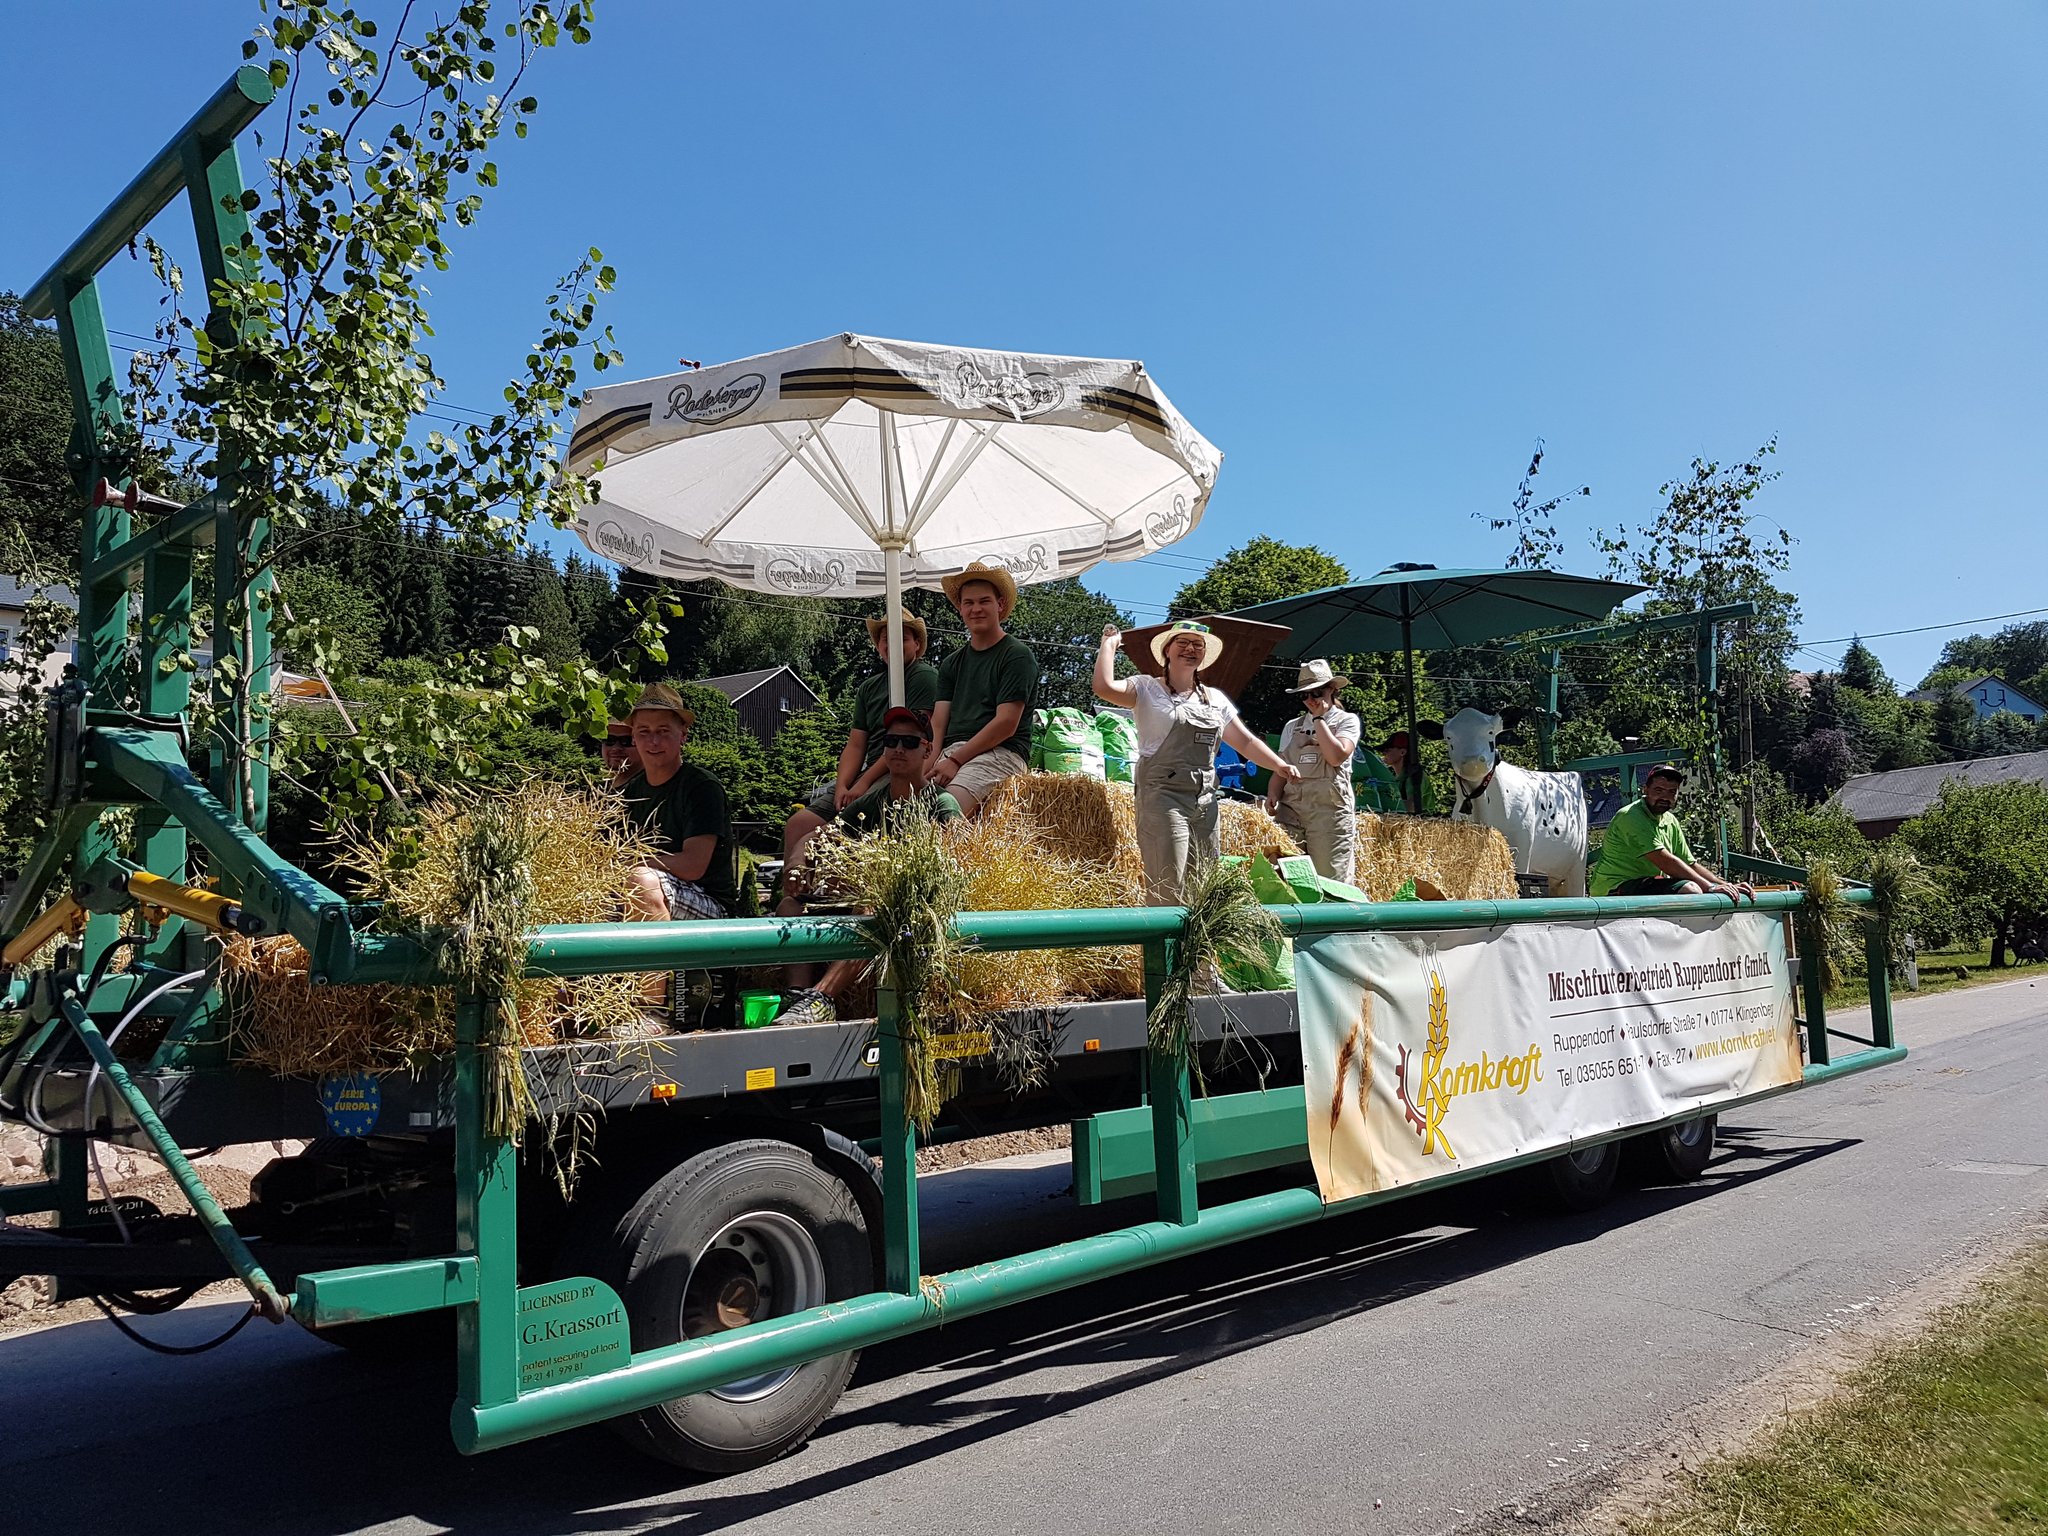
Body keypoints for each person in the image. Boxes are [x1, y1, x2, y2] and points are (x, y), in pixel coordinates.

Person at [777, 706, 962, 1023]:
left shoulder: (942, 804)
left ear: (928, 750)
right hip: (863, 902)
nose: (899, 749)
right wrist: (796, 862)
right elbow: (815, 837)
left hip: (909, 919)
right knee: (789, 906)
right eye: (891, 741)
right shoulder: (872, 802)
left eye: (910, 742)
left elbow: (952, 871)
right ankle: (797, 999)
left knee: (872, 907)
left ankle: (822, 999)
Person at [1094, 619, 1299, 904]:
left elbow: (1245, 741)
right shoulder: (1145, 688)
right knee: (1169, 883)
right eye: (1183, 643)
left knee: (1202, 881)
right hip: (1163, 796)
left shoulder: (1214, 699)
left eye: (1198, 645)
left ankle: (1195, 948)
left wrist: (1279, 764)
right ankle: (1165, 948)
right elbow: (1103, 687)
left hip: (1204, 799)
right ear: (1167, 650)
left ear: (1204, 655)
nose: (1190, 649)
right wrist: (1109, 645)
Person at [776, 608, 938, 920]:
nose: (891, 644)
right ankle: (791, 904)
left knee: (855, 822)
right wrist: (842, 786)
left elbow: (909, 740)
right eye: (884, 639)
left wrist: (861, 786)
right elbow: (855, 743)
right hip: (868, 770)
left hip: (896, 767)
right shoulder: (869, 687)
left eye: (901, 638)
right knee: (799, 823)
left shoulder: (924, 678)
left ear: (916, 644)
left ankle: (853, 901)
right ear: (878, 646)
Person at [621, 683, 740, 924]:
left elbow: (692, 866)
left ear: (683, 734)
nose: (653, 741)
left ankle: (655, 963)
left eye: (663, 731)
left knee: (641, 881)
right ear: (633, 737)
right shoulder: (630, 790)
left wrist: (631, 861)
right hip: (650, 886)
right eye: (644, 732)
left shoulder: (702, 788)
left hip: (711, 906)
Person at [927, 561, 1038, 818]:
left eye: (984, 601)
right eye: (969, 603)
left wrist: (954, 761)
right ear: (960, 609)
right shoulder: (951, 663)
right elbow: (939, 723)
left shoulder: (1017, 656)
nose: (976, 609)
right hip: (953, 751)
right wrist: (929, 763)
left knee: (945, 809)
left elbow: (1006, 724)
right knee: (900, 807)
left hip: (1002, 752)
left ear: (1000, 605)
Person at [1590, 763, 1755, 901]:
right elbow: (1665, 862)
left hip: (1643, 884)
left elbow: (1690, 864)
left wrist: (1725, 885)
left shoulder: (1670, 820)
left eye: (1671, 792)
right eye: (1658, 790)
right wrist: (1710, 887)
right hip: (1612, 889)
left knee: (1693, 888)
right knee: (1690, 890)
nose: (1665, 797)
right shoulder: (1631, 816)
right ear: (1645, 789)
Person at [1266, 659, 1363, 884]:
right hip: (1292, 808)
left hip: (1328, 811)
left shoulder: (1346, 721)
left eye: (1316, 693)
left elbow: (1336, 756)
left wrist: (1319, 719)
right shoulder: (1292, 726)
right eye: (1304, 695)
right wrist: (1272, 794)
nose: (1310, 700)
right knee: (1284, 875)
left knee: (1330, 879)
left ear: (1332, 690)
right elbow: (1281, 768)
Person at [1355, 730, 1438, 815]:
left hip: (1421, 823)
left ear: (1402, 752)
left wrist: (1381, 802)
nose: (1383, 753)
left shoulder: (1414, 775)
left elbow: (1412, 806)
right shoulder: (1398, 778)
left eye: (1387, 750)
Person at [599, 718, 641, 787]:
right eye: (609, 740)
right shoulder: (602, 786)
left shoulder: (646, 789)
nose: (616, 748)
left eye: (626, 741)